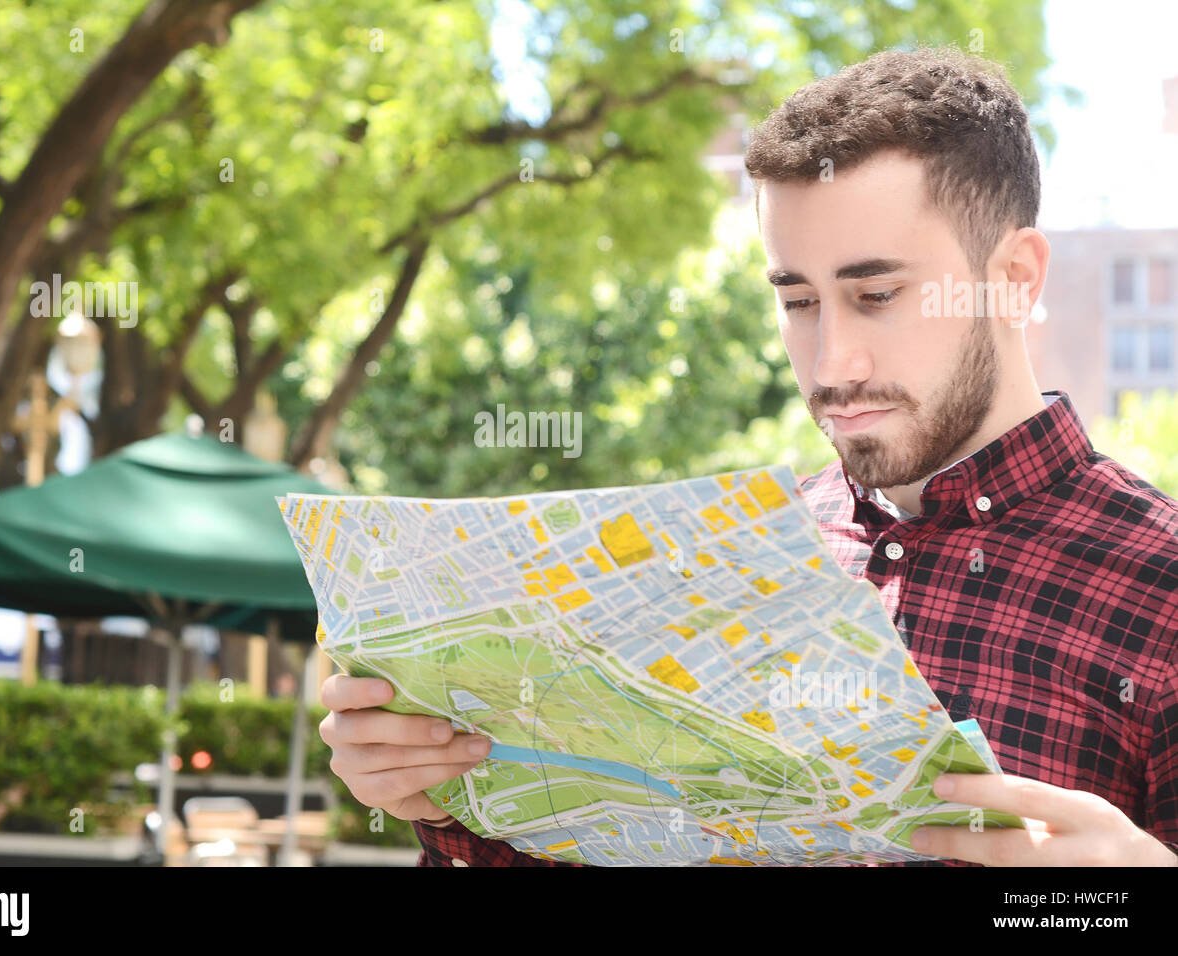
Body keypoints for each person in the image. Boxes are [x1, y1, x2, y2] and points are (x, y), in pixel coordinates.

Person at [317, 46, 1178, 867]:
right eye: (798, 301)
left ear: (1016, 278)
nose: (832, 364)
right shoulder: (722, 555)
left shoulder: (1161, 589)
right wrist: (444, 801)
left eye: (877, 294)